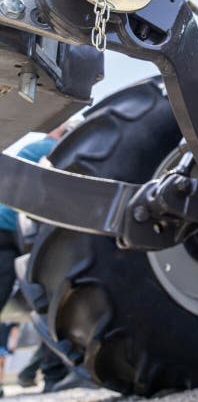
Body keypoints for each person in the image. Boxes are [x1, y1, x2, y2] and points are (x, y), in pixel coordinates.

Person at [0, 121, 81, 394]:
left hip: (10, 231)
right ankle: (52, 374)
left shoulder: (30, 148)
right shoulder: (51, 149)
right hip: (16, 233)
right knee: (47, 300)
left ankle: (44, 372)